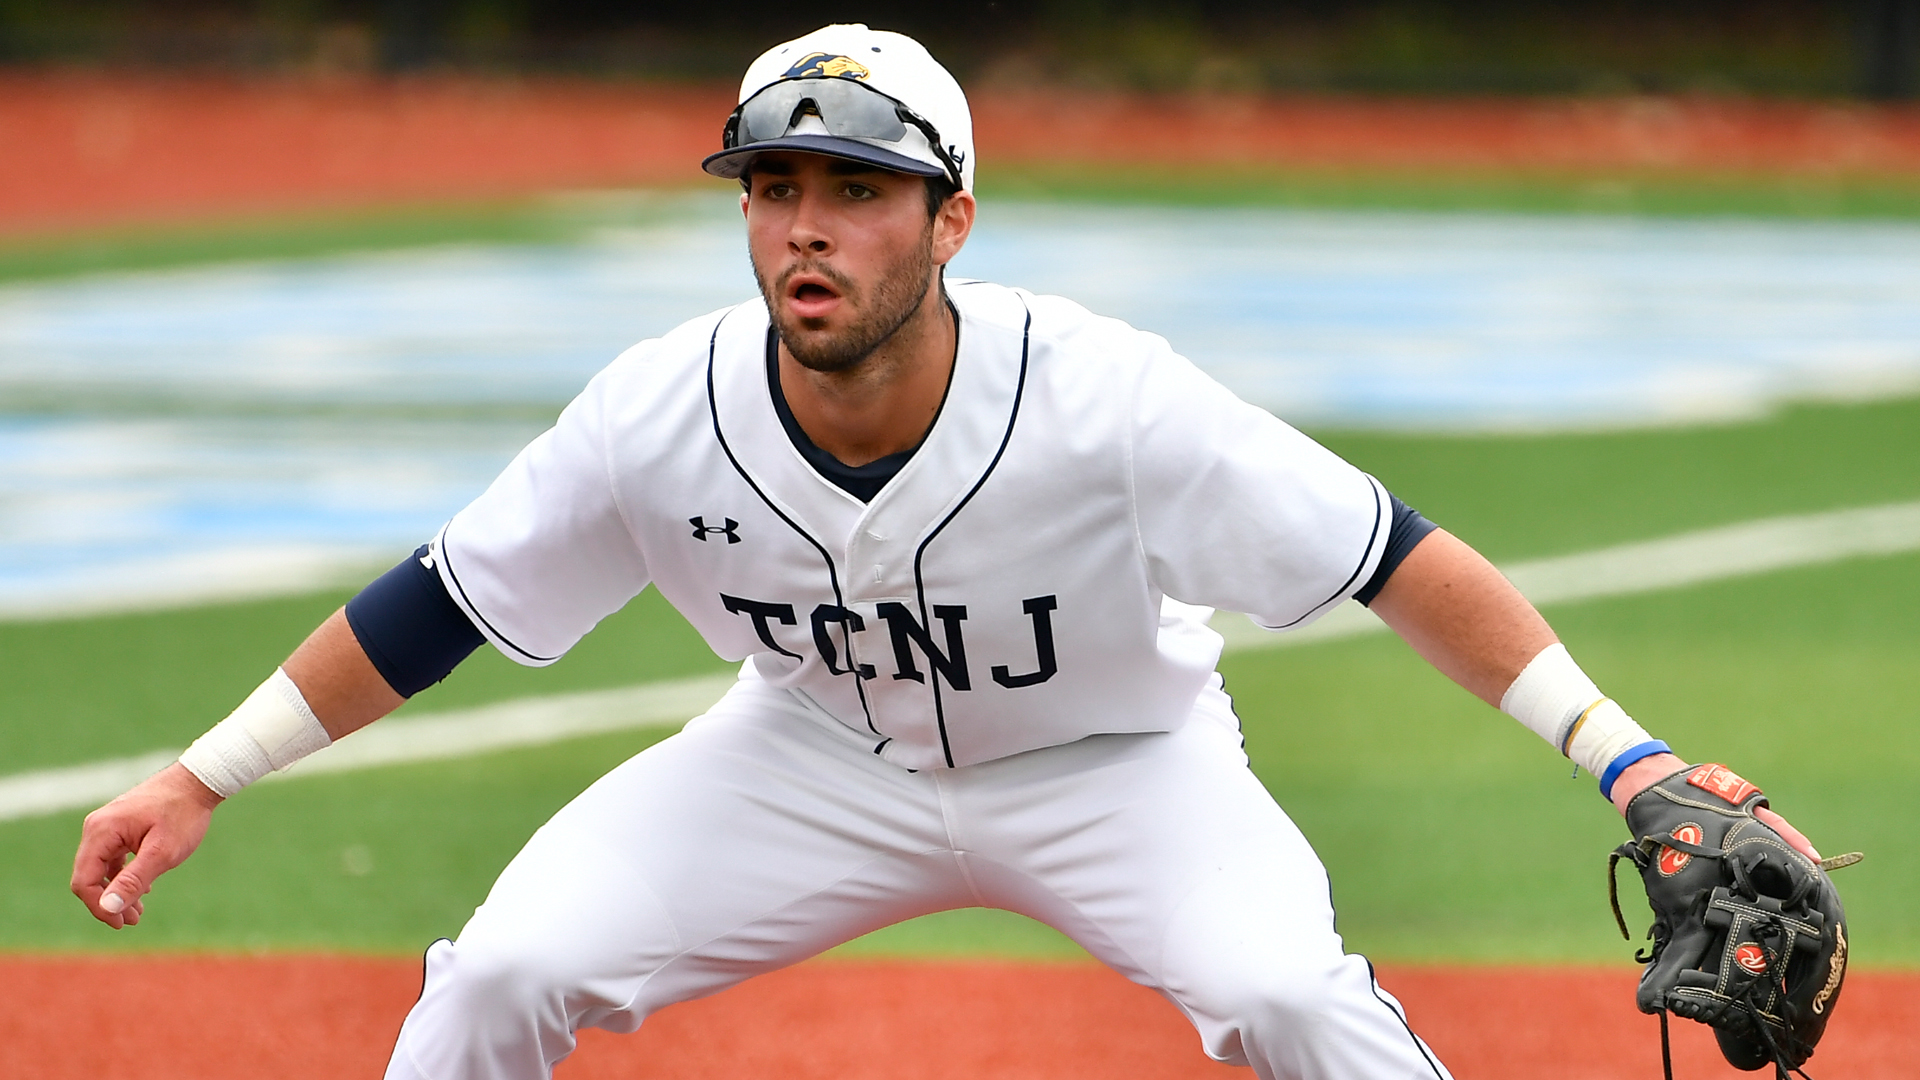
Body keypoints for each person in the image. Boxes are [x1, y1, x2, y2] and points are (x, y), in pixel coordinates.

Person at [71, 24, 1821, 1080]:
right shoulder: (655, 408)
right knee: (508, 973)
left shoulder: (1107, 399)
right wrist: (207, 774)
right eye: (772, 188)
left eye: (851, 190)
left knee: (1287, 991)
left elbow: (1390, 555)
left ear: (949, 218)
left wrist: (1632, 759)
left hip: (1118, 768)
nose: (804, 229)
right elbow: (439, 603)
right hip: (810, 759)